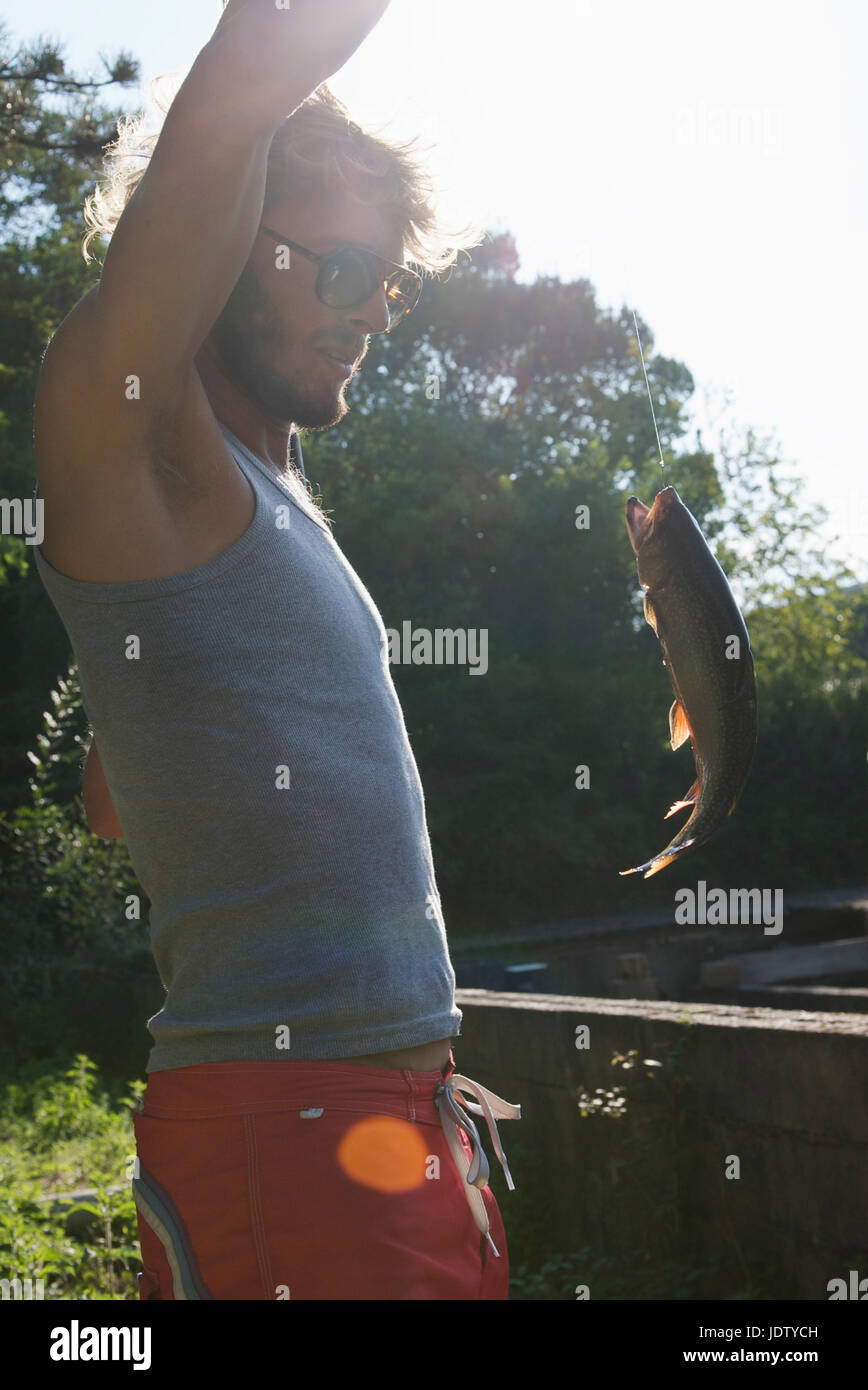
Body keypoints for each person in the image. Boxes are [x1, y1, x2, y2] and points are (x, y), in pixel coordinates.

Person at [32, 0, 519, 1300]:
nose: (370, 312)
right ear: (231, 244)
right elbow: (243, 84)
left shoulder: (268, 498)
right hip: (288, 1133)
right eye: (340, 270)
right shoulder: (129, 429)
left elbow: (114, 797)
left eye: (389, 280)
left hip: (406, 1116)